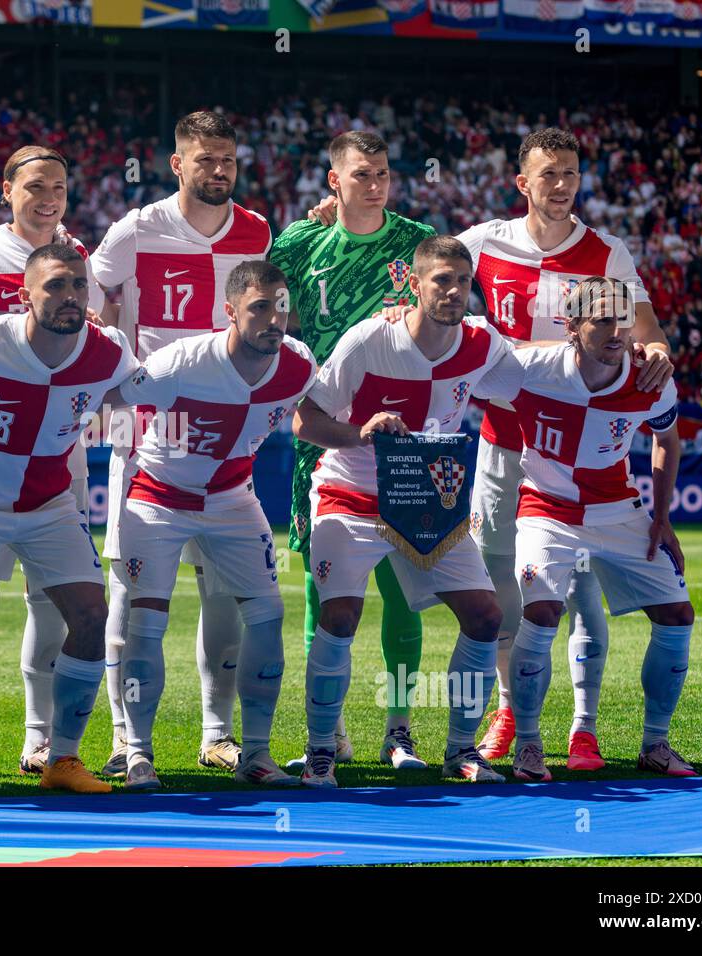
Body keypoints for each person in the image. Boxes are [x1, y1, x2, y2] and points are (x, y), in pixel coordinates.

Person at [455, 129, 674, 770]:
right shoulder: (483, 243)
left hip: (582, 451)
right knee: (504, 589)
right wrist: (337, 214)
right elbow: (420, 271)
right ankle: (508, 714)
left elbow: (648, 331)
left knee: (580, 591)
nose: (562, 185)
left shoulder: (606, 252)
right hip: (502, 444)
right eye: (548, 174)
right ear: (522, 183)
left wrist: (656, 351)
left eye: (571, 173)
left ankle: (583, 728)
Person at [292, 236, 522, 786]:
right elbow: (305, 420)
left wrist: (598, 343)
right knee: (340, 616)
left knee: (486, 616)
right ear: (413, 284)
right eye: (440, 280)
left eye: (462, 282)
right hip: (351, 494)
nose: (452, 291)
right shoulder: (370, 338)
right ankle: (322, 749)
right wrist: (359, 433)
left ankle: (461, 751)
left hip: (426, 501)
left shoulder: (482, 344)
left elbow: (529, 370)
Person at [0, 243, 137, 798]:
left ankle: (62, 757)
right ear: (24, 297)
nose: (70, 297)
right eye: (55, 286)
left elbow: (146, 385)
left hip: (49, 506)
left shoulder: (109, 350)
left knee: (90, 617)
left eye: (78, 286)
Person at [89, 110, 272, 777]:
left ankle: (217, 733)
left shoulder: (256, 231)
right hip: (148, 431)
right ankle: (123, 738)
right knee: (131, 593)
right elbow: (91, 302)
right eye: (205, 159)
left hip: (225, 437)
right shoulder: (136, 229)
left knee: (221, 589)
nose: (219, 170)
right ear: (177, 164)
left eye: (227, 159)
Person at [475, 277, 696, 780]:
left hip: (618, 508)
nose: (617, 330)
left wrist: (661, 518)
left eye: (623, 318)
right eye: (601, 319)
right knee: (544, 612)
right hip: (545, 508)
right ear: (570, 326)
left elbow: (667, 440)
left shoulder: (649, 377)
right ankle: (530, 746)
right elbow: (462, 367)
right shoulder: (530, 368)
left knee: (678, 615)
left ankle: (655, 745)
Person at [113, 260, 316, 789]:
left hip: (231, 497)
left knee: (269, 618)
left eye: (282, 307)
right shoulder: (180, 361)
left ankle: (256, 754)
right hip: (158, 496)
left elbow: (312, 417)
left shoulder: (298, 364)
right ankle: (137, 754)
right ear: (229, 311)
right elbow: (114, 398)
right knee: (146, 624)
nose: (275, 319)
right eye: (260, 308)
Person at [272, 130, 436, 772]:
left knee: (402, 585)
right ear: (334, 181)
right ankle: (329, 731)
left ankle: (400, 730)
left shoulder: (416, 241)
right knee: (323, 588)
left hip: (404, 438)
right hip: (323, 431)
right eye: (362, 175)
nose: (376, 185)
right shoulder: (297, 243)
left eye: (384, 174)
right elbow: (255, 307)